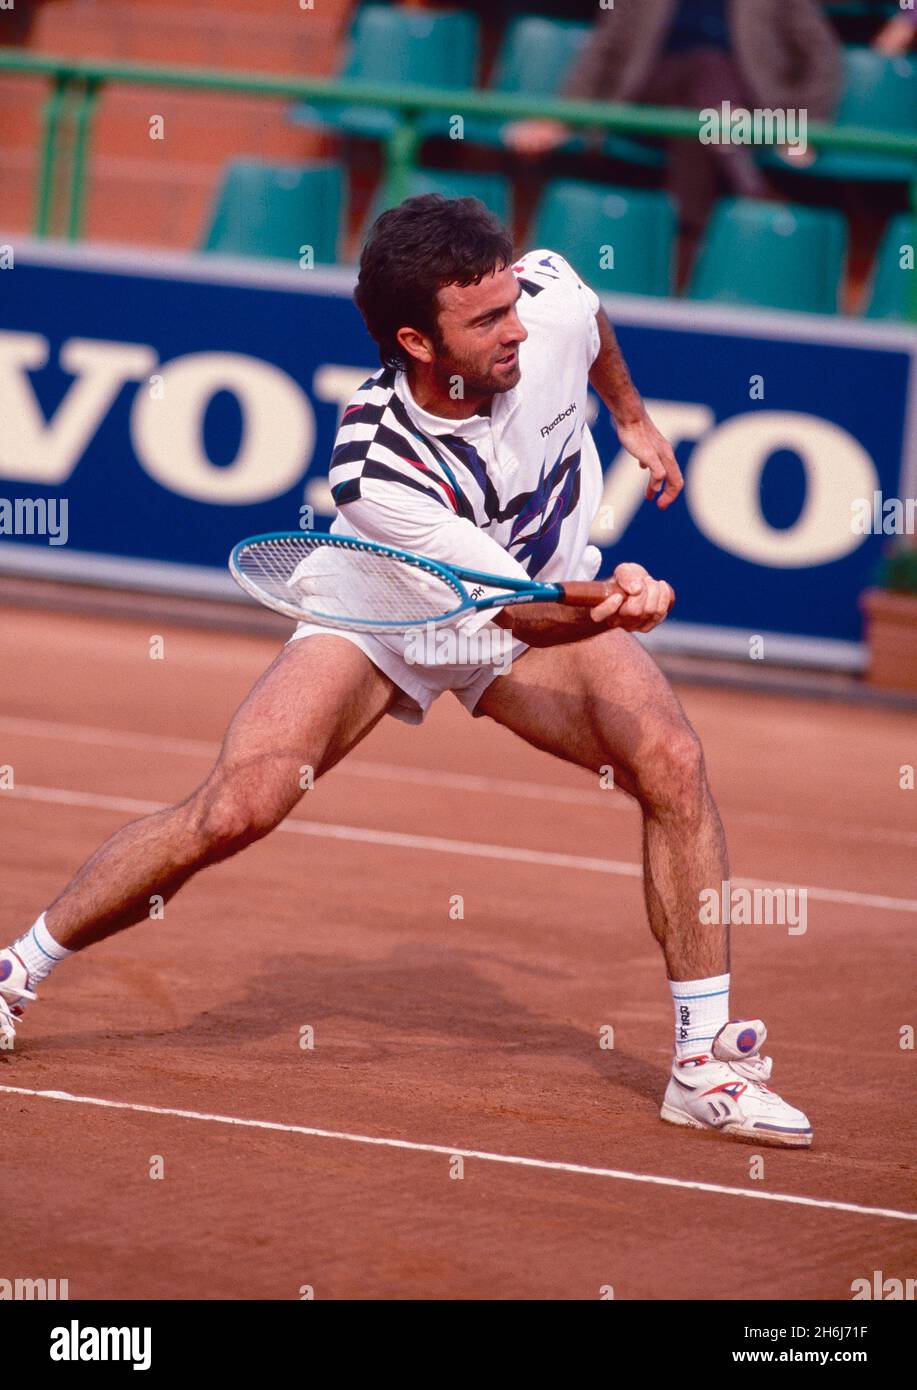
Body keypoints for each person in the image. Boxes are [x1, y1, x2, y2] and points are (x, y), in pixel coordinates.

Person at [0, 195, 812, 1147]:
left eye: (512, 303)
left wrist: (631, 418)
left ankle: (701, 1059)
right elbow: (519, 616)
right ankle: (15, 972)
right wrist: (616, 601)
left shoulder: (541, 308)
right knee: (235, 809)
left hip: (528, 580)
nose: (516, 330)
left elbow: (588, 322)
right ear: (415, 342)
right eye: (486, 322)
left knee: (670, 758)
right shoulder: (374, 464)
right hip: (388, 602)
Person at [506, 0, 841, 271]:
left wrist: (802, 124)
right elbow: (605, 48)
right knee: (705, 71)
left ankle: (680, 262)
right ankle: (751, 189)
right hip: (652, 96)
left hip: (729, 107)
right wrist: (562, 118)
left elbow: (822, 54)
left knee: (698, 108)